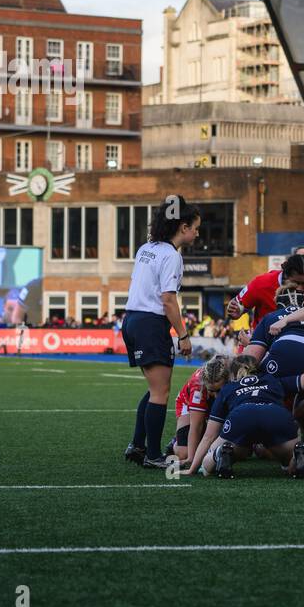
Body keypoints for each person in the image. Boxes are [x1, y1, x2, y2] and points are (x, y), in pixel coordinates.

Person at [185, 352, 304, 479]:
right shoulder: (274, 381)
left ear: (232, 374)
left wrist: (193, 468)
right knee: (290, 458)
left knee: (209, 464)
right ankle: (299, 455)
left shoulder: (228, 389)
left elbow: (208, 436)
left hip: (242, 416)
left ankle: (220, 454)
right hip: (276, 415)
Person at [123, 196, 200, 469]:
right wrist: (183, 334)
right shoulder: (171, 256)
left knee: (154, 388)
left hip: (131, 320)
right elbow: (168, 300)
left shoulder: (147, 247)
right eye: (194, 227)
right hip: (150, 323)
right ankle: (153, 455)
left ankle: (138, 445)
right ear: (182, 227)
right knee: (161, 392)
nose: (197, 232)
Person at [226, 253, 304, 324]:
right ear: (285, 274)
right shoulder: (261, 284)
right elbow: (237, 309)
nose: (300, 288)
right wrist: (235, 312)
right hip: (265, 343)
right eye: (295, 282)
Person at [168, 355, 230, 465]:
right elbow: (196, 425)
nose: (216, 396)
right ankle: (175, 442)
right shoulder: (197, 386)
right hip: (186, 403)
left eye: (219, 390)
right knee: (184, 453)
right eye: (212, 391)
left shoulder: (232, 379)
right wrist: (191, 458)